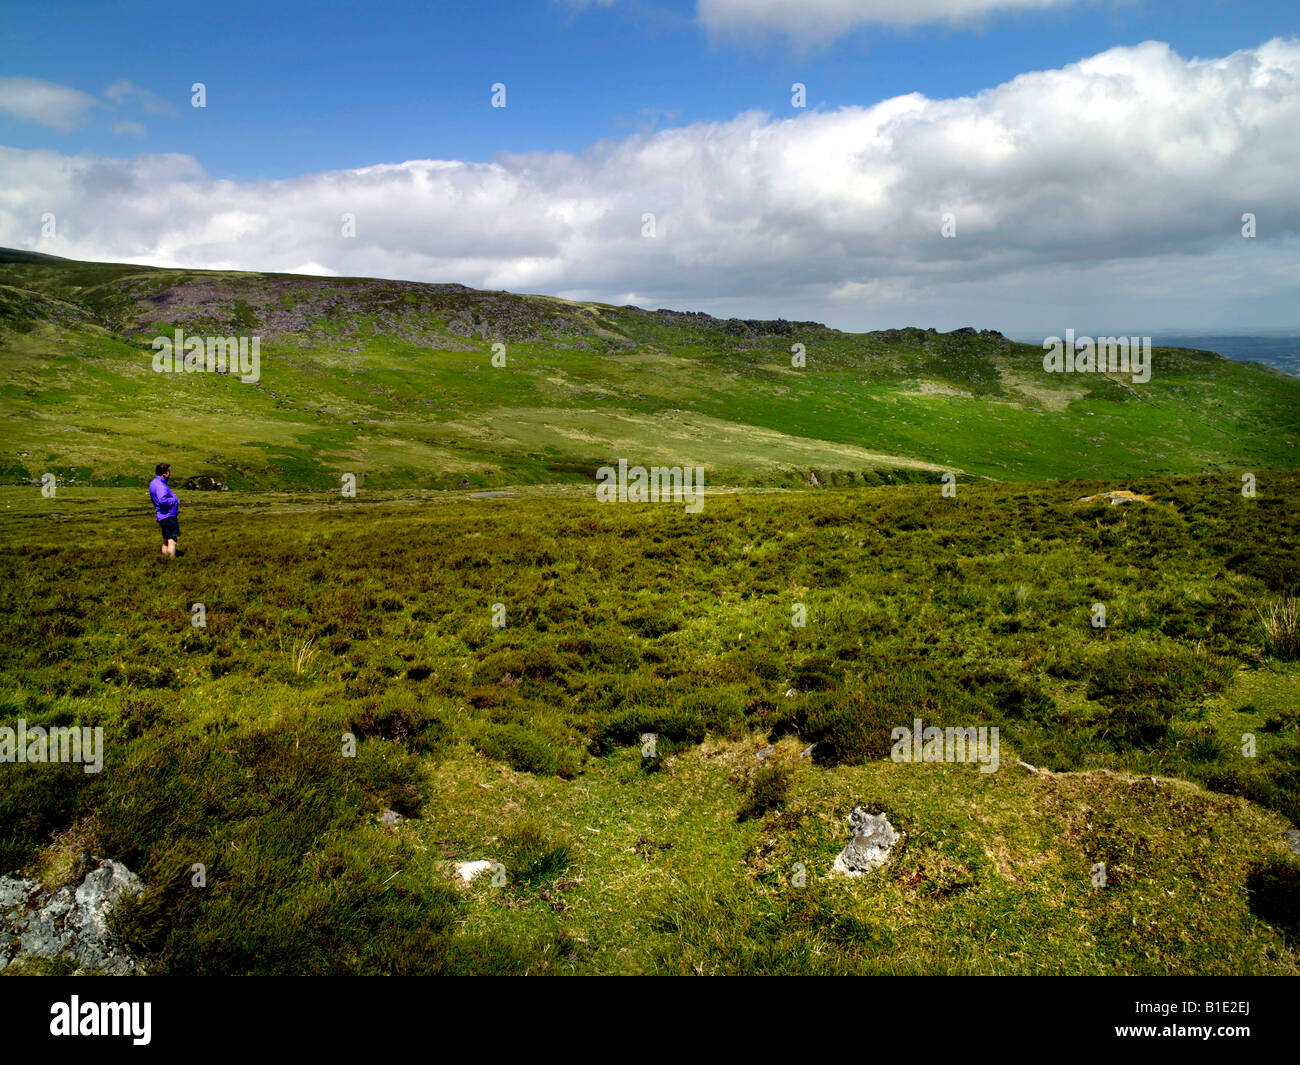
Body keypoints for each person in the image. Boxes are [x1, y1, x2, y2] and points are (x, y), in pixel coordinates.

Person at [148, 462, 181, 558]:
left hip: (161, 515)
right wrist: (174, 500)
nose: (169, 473)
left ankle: (165, 558)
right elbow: (162, 500)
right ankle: (172, 560)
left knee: (166, 540)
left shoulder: (154, 483)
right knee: (172, 540)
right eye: (168, 471)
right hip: (168, 515)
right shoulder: (161, 486)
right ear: (164, 473)